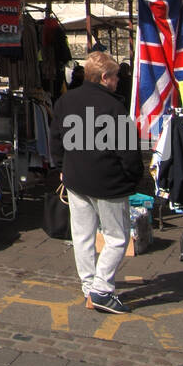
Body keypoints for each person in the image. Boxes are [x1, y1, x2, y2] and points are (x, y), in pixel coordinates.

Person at [49, 51, 143, 314]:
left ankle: (89, 286)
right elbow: (128, 151)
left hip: (76, 178)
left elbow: (55, 138)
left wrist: (60, 167)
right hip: (107, 181)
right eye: (115, 77)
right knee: (116, 237)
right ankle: (101, 289)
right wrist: (134, 177)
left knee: (83, 236)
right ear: (104, 78)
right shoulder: (114, 107)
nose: (117, 81)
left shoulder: (66, 101)